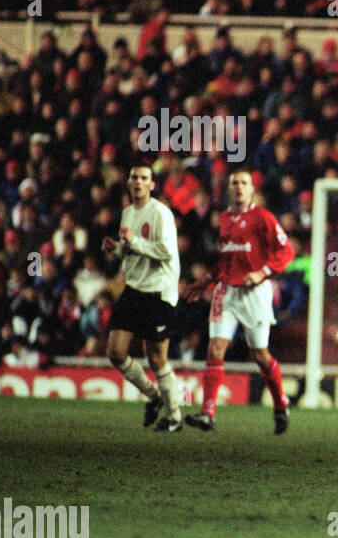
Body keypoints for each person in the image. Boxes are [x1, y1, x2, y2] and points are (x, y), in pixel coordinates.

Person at [180, 170, 295, 434]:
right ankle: (208, 413)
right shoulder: (225, 219)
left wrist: (263, 272)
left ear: (252, 189)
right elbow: (227, 261)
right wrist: (206, 280)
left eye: (244, 183)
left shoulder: (263, 217)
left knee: (260, 354)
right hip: (227, 292)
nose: (239, 187)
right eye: (235, 183)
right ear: (229, 189)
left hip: (255, 293)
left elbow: (286, 251)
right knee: (215, 348)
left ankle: (280, 403)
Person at [102, 164, 184, 431]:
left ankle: (174, 417)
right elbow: (130, 253)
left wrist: (134, 241)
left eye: (144, 178)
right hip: (134, 289)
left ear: (152, 184)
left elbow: (166, 252)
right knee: (115, 352)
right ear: (128, 182)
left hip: (158, 292)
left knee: (157, 358)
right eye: (134, 177)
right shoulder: (127, 213)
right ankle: (154, 395)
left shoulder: (161, 213)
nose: (138, 182)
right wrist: (116, 250)